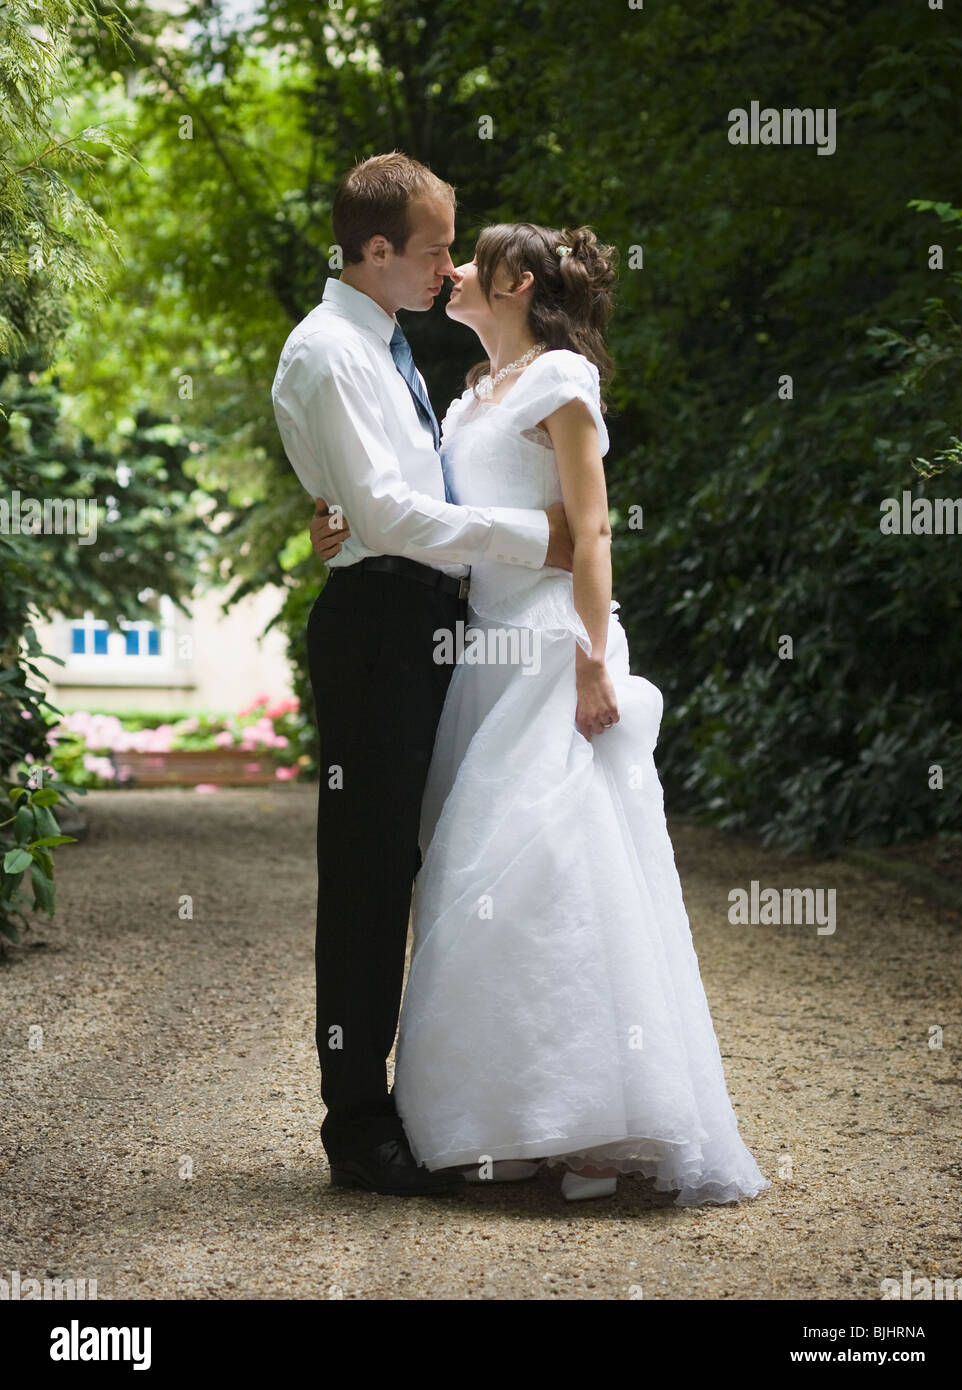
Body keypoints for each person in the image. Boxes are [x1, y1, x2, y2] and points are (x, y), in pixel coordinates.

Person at [314, 220, 770, 1206]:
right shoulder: (472, 395)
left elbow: (592, 526)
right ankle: (510, 1117)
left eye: (472, 260)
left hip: (553, 649)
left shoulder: (566, 382)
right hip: (481, 654)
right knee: (475, 879)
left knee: (558, 867)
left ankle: (598, 1121)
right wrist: (347, 521)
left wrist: (593, 660)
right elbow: (428, 509)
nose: (458, 272)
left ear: (518, 281)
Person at [271, 155, 574, 1196]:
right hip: (379, 627)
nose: (453, 266)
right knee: (365, 875)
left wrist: (349, 521)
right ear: (379, 249)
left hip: (425, 615)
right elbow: (393, 518)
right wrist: (543, 539)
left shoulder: (386, 345)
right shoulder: (329, 354)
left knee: (429, 861)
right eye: (439, 247)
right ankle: (358, 1125)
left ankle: (431, 1098)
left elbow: (384, 498)